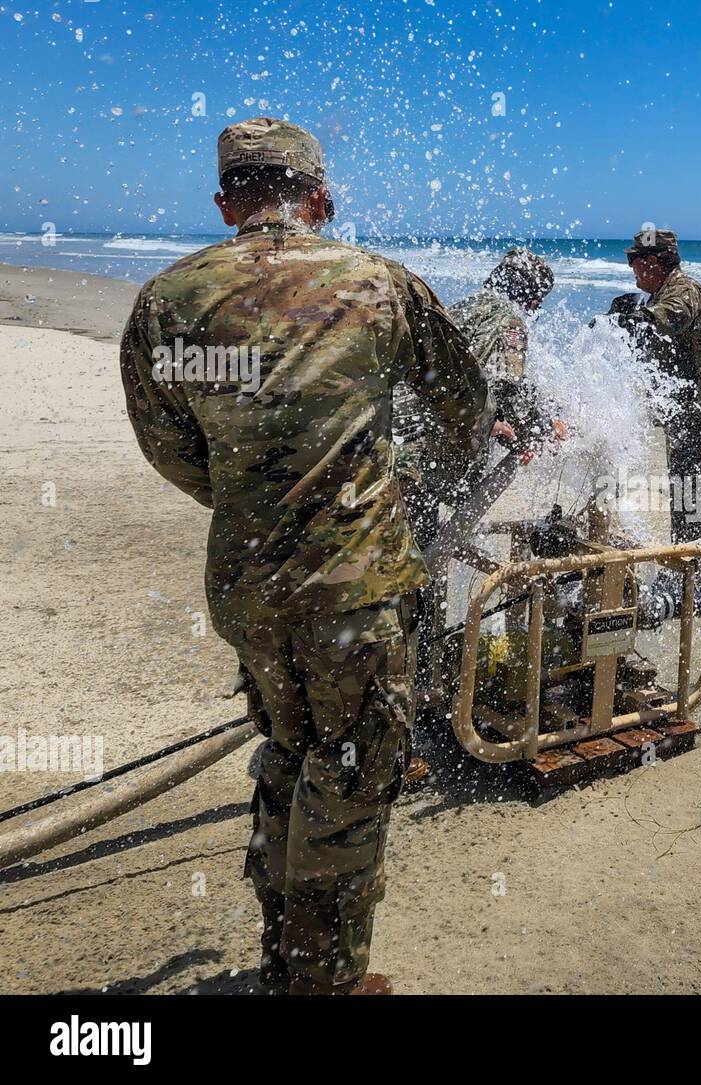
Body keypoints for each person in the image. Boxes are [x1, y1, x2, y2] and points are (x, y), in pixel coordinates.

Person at [119, 117, 494, 994]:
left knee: (288, 751)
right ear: (319, 198)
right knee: (353, 771)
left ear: (226, 204)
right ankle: (326, 981)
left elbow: (169, 447)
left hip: (246, 588)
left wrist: (254, 495)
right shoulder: (378, 283)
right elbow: (465, 406)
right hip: (354, 592)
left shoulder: (166, 301)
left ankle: (284, 957)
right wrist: (398, 480)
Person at [392, 248, 563, 754]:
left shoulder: (462, 307)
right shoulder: (510, 320)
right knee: (420, 575)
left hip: (392, 450)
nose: (535, 310)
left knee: (411, 565)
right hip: (424, 462)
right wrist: (541, 424)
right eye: (537, 299)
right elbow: (507, 386)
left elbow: (452, 380)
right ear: (528, 295)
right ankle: (408, 708)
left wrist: (499, 425)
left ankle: (417, 682)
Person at [608, 227, 701, 546]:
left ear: (651, 262)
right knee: (684, 491)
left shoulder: (684, 291)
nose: (632, 268)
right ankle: (686, 560)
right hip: (683, 412)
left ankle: (693, 565)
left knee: (692, 496)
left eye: (634, 261)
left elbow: (668, 318)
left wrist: (635, 318)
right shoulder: (659, 295)